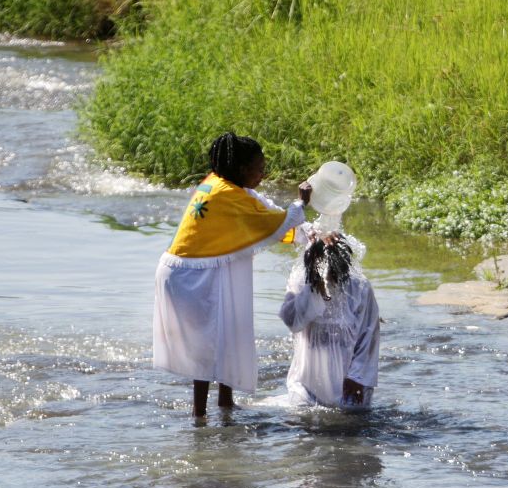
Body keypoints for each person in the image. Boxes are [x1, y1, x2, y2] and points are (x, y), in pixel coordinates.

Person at [153, 132, 312, 417]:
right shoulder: (224, 193)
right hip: (191, 275)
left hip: (197, 268)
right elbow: (272, 221)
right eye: (259, 168)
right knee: (205, 345)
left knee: (228, 331)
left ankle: (225, 402)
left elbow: (265, 213)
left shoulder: (221, 184)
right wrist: (300, 205)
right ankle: (199, 416)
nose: (263, 174)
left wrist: (308, 233)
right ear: (241, 169)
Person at [279, 233, 380, 409]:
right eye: (328, 273)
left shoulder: (359, 287)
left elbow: (369, 335)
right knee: (302, 420)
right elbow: (293, 322)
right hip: (305, 384)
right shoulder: (301, 282)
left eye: (336, 273)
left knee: (353, 420)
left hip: (349, 383)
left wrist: (357, 377)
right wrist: (312, 286)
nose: (331, 279)